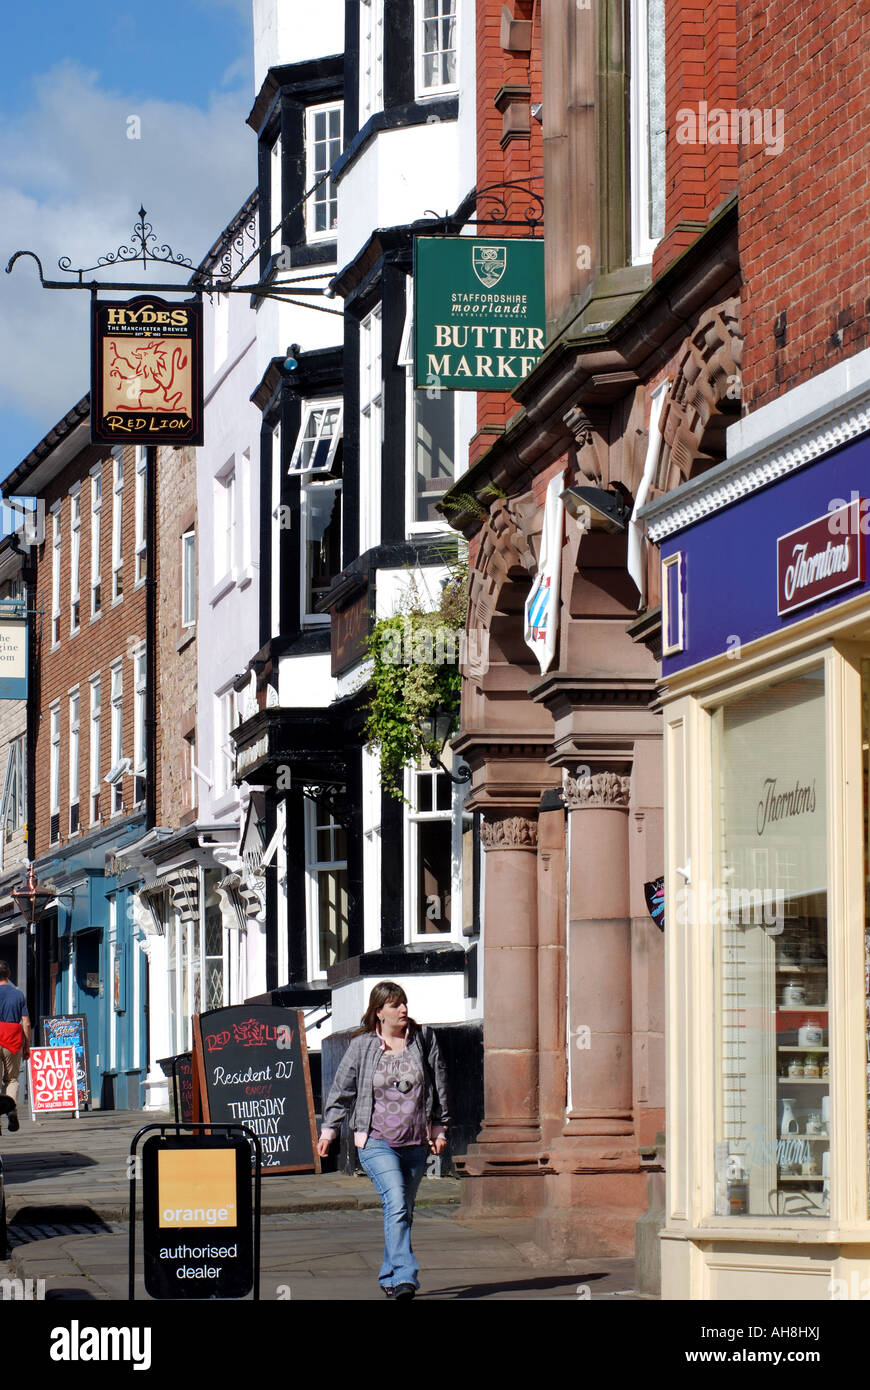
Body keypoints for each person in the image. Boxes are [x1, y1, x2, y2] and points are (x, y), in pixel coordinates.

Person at [318, 981, 450, 1300]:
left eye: (404, 1003)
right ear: (379, 1012)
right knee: (396, 1202)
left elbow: (439, 1081)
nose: (403, 1009)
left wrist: (440, 1127)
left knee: (403, 1208)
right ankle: (406, 1277)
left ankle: (389, 1273)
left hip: (416, 1142)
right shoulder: (362, 1045)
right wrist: (329, 1129)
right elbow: (342, 1089)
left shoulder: (423, 1039)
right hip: (376, 1142)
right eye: (395, 1005)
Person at [0, 960, 30, 1133]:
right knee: (12, 1079)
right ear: (9, 974)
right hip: (12, 1039)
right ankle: (11, 1108)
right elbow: (25, 1022)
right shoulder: (18, 995)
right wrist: (27, 1045)